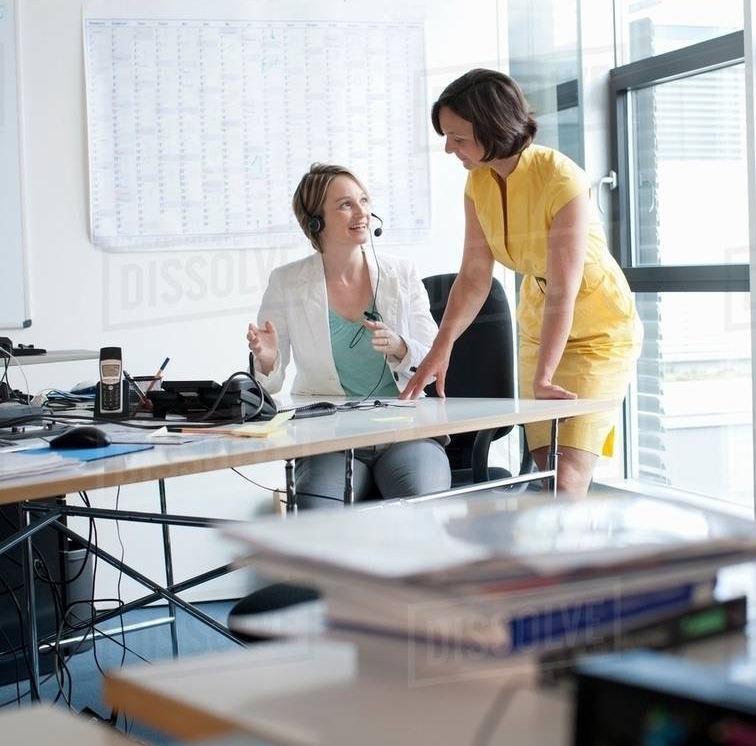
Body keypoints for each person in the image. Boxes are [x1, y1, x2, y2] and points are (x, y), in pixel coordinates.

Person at [401, 69, 643, 497]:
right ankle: (555, 560)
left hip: (598, 330)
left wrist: (546, 376)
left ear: (491, 125)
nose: (448, 148)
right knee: (545, 471)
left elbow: (566, 287)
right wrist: (440, 350)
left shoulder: (562, 178)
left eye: (457, 138)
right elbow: (475, 275)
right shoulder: (477, 183)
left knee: (565, 480)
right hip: (540, 322)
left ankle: (572, 564)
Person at [247, 162, 451, 506]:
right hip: (329, 437)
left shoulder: (400, 273)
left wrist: (401, 347)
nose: (363, 213)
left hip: (404, 430)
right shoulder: (286, 282)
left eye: (364, 200)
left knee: (421, 501)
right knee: (317, 509)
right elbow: (268, 384)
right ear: (315, 220)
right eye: (346, 204)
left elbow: (434, 354)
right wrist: (266, 361)